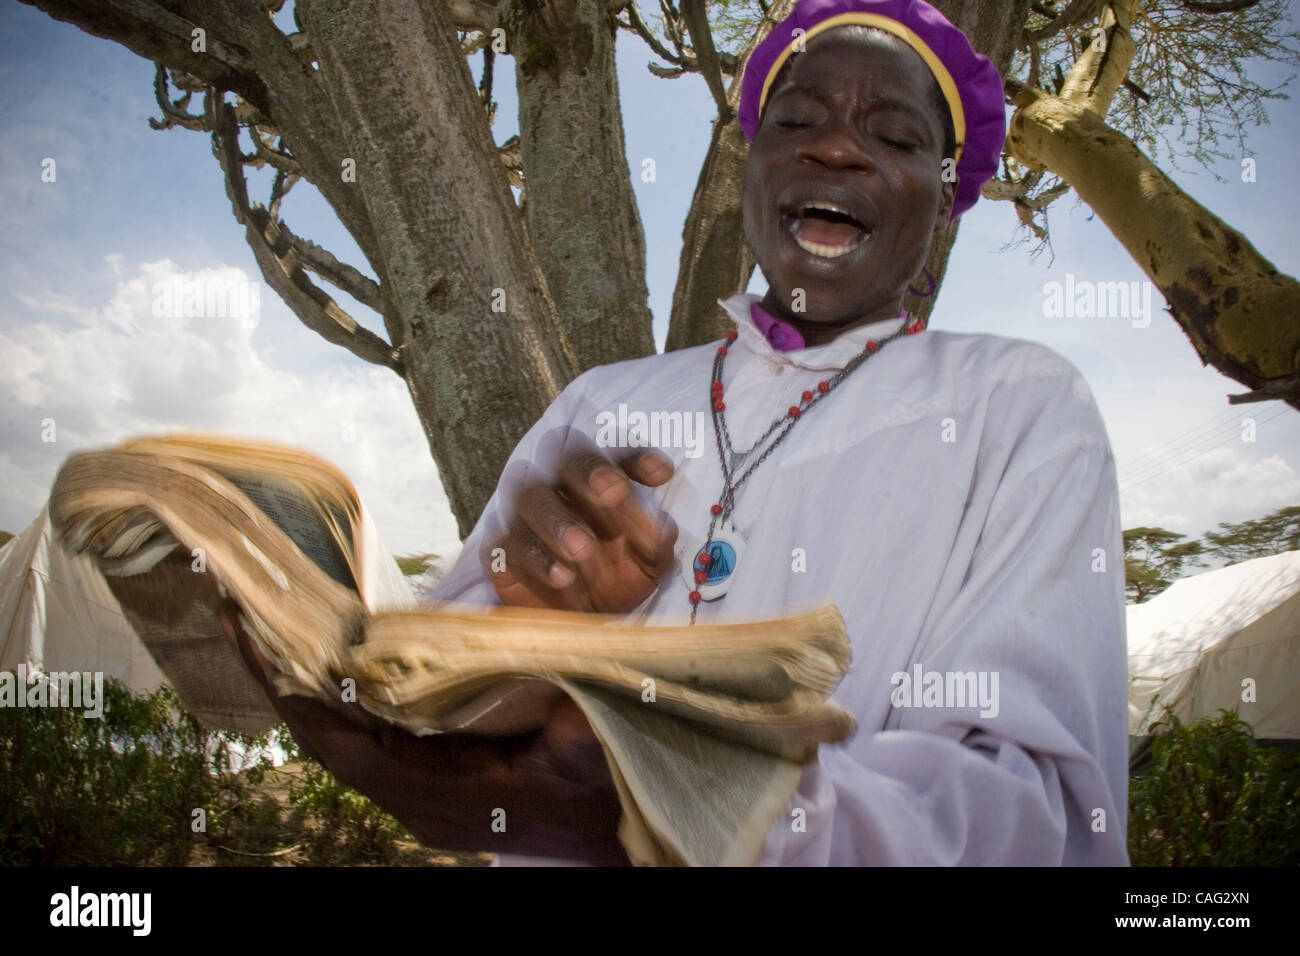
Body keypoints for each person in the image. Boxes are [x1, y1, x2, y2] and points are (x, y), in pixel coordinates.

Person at [224, 0, 1130, 866]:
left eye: (894, 138)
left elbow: (1043, 816)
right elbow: (437, 717)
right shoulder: (600, 405)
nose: (836, 145)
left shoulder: (1017, 407)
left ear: (945, 197)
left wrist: (688, 812)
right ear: (753, 168)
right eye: (796, 121)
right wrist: (530, 648)